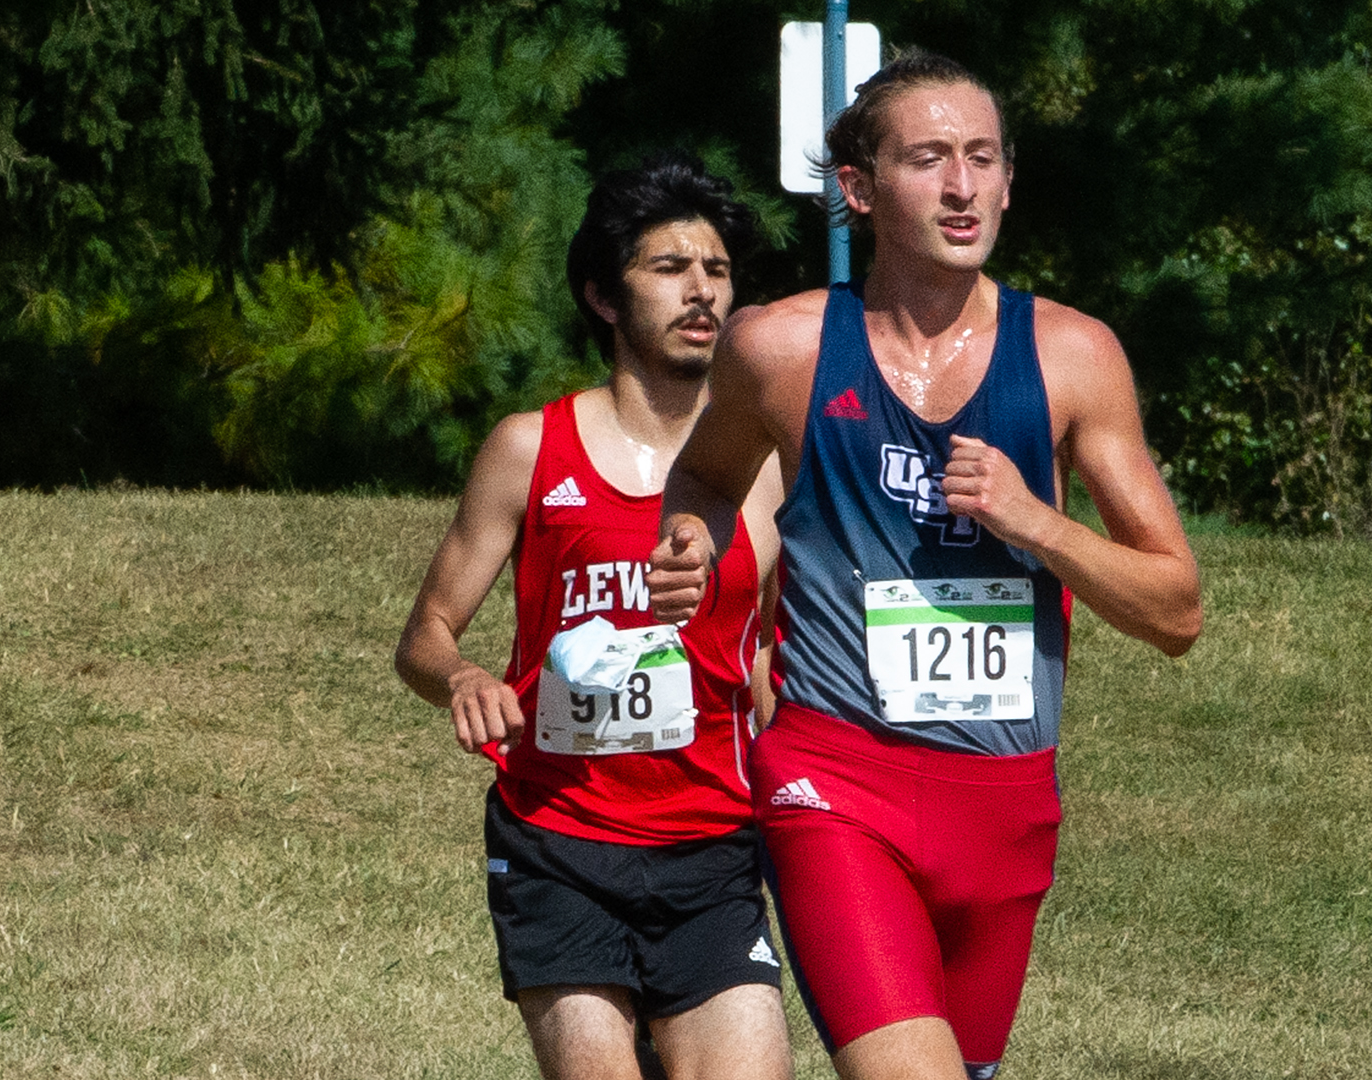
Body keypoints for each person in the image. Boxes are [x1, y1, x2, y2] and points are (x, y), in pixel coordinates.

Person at [647, 51, 1202, 1080]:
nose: (963, 187)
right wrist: (690, 538)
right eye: (931, 159)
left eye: (983, 159)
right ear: (857, 190)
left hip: (1005, 808)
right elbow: (707, 480)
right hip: (836, 781)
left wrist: (1037, 524)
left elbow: (1176, 609)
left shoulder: (1074, 356)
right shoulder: (782, 348)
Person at [394, 152, 792, 1080]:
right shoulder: (531, 448)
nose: (701, 292)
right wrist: (462, 677)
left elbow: (771, 656)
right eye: (669, 269)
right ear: (605, 299)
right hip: (559, 843)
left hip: (713, 847)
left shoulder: (772, 468)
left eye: (718, 271)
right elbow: (424, 637)